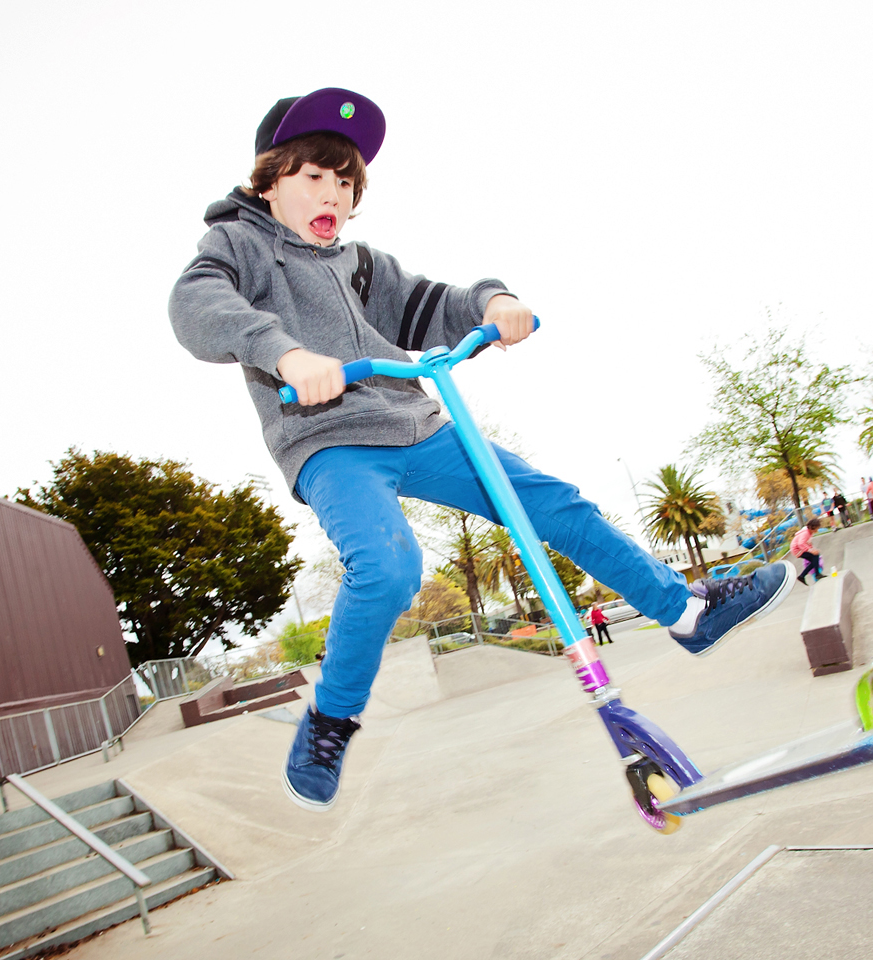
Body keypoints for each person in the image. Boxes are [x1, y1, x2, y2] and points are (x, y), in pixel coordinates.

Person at [169, 88, 796, 812]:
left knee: (547, 503)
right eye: (313, 176)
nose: (332, 196)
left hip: (416, 424)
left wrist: (493, 303)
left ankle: (684, 611)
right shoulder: (239, 245)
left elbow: (432, 303)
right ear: (268, 179)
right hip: (330, 442)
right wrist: (282, 354)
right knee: (388, 564)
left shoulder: (359, 264)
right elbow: (198, 307)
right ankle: (330, 719)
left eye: (346, 183)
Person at [790, 518, 825, 585]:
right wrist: (811, 550)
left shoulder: (809, 533)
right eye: (817, 528)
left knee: (814, 560)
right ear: (813, 527)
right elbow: (801, 543)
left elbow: (808, 543)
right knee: (815, 556)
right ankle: (817, 574)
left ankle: (802, 576)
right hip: (797, 549)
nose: (817, 530)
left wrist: (814, 549)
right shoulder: (806, 533)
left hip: (799, 549)